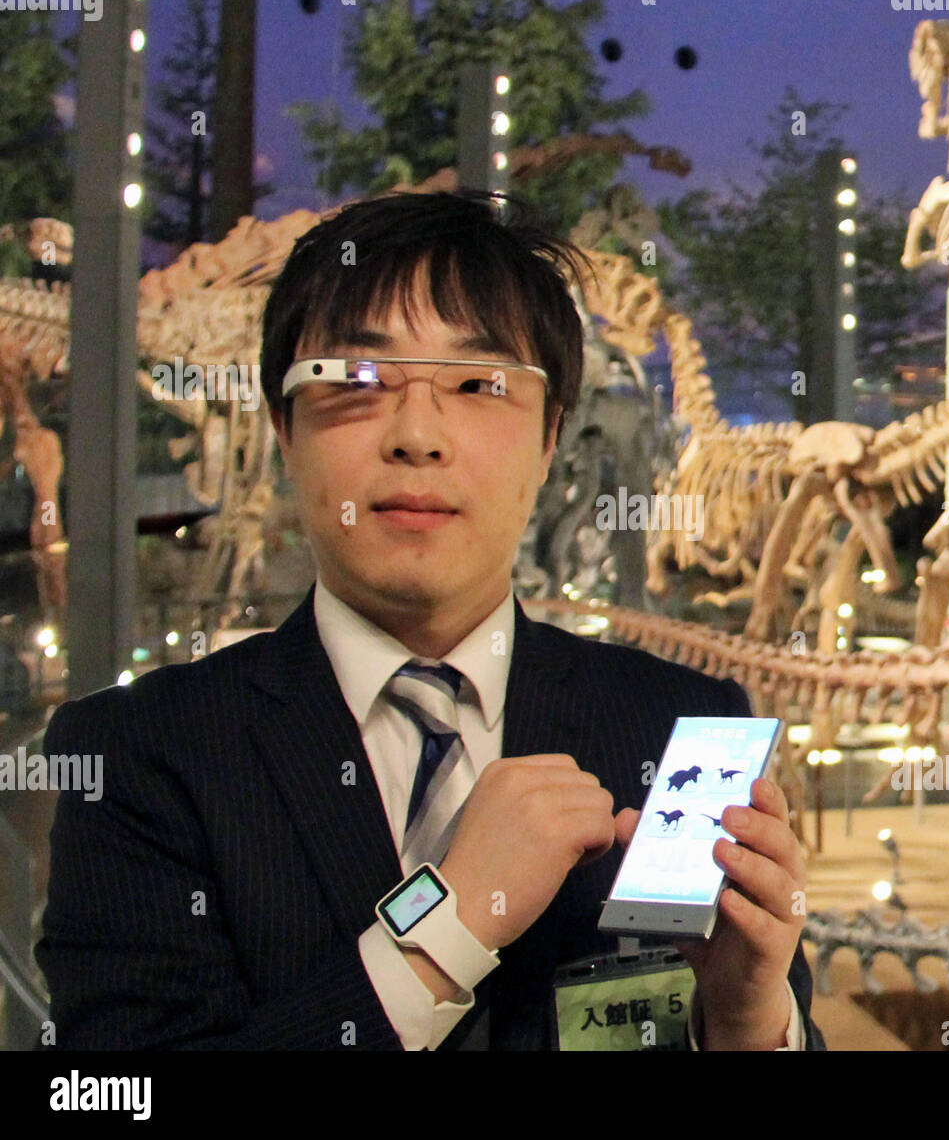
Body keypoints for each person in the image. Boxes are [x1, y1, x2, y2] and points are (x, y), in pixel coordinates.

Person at [36, 190, 826, 1051]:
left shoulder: (679, 729)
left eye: (481, 383)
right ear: (283, 429)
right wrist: (447, 923)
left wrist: (749, 1021)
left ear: (550, 435)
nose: (418, 434)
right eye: (357, 380)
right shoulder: (140, 756)